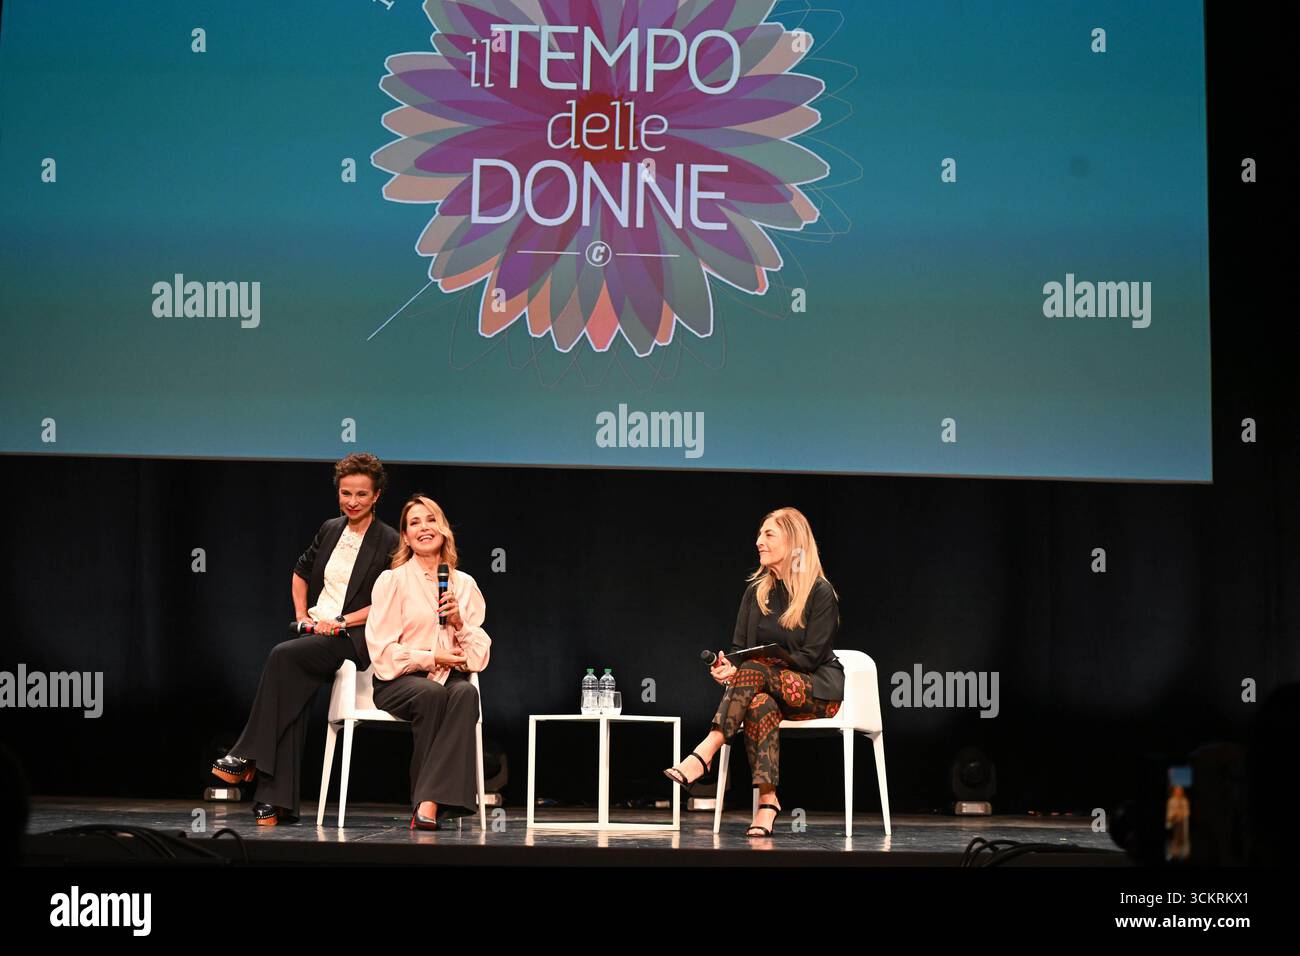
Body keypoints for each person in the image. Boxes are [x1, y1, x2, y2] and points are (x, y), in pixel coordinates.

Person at [211, 453, 399, 825]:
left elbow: (387, 602)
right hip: (317, 632)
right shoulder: (331, 528)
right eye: (346, 493)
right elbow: (300, 571)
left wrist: (342, 620)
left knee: (283, 656)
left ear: (376, 496)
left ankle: (247, 755)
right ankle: (276, 803)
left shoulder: (389, 540)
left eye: (361, 494)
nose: (352, 501)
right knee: (292, 695)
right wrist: (302, 616)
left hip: (354, 637)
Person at [664, 507, 844, 837]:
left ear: (793, 541)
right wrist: (728, 670)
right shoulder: (755, 591)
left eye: (768, 534)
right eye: (759, 534)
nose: (758, 541)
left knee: (757, 669)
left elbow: (811, 657)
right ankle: (767, 801)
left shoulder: (820, 593)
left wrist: (759, 667)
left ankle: (707, 750)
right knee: (759, 704)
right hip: (766, 687)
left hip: (816, 689)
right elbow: (739, 651)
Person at [364, 494, 491, 830]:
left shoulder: (464, 585)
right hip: (399, 681)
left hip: (447, 677)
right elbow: (382, 653)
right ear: (405, 537)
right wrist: (430, 656)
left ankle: (427, 804)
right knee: (431, 694)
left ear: (443, 530)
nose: (424, 528)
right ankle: (432, 801)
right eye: (414, 523)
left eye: (430, 520)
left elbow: (478, 658)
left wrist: (460, 623)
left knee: (466, 694)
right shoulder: (393, 581)